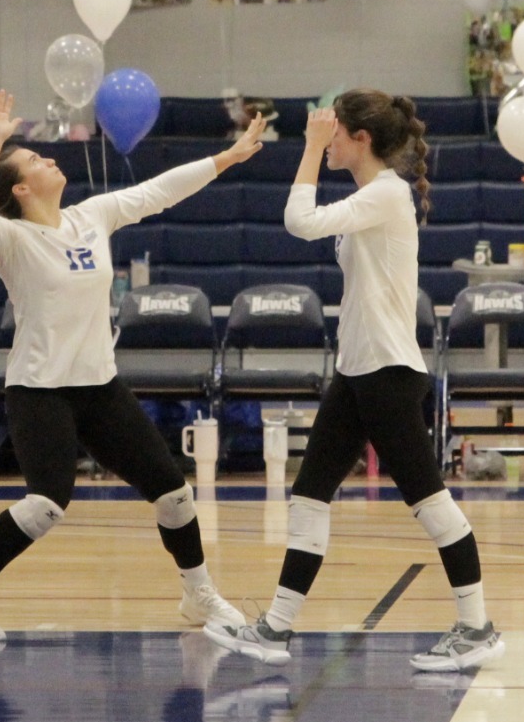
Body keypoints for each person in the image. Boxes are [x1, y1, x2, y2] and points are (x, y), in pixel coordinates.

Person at [0, 91, 264, 641]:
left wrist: (225, 158)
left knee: (173, 493)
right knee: (46, 504)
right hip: (41, 390)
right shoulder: (10, 238)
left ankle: (198, 595)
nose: (50, 160)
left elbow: (159, 191)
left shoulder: (90, 217)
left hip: (100, 388)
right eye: (36, 161)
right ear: (19, 188)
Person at [205, 89, 503, 673]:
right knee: (309, 494)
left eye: (335, 132)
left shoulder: (387, 194)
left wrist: (311, 151)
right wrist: (318, 144)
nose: (329, 139)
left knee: (429, 500)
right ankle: (275, 628)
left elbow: (299, 221)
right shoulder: (373, 196)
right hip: (356, 372)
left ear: (359, 139)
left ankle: (477, 627)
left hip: (389, 375)